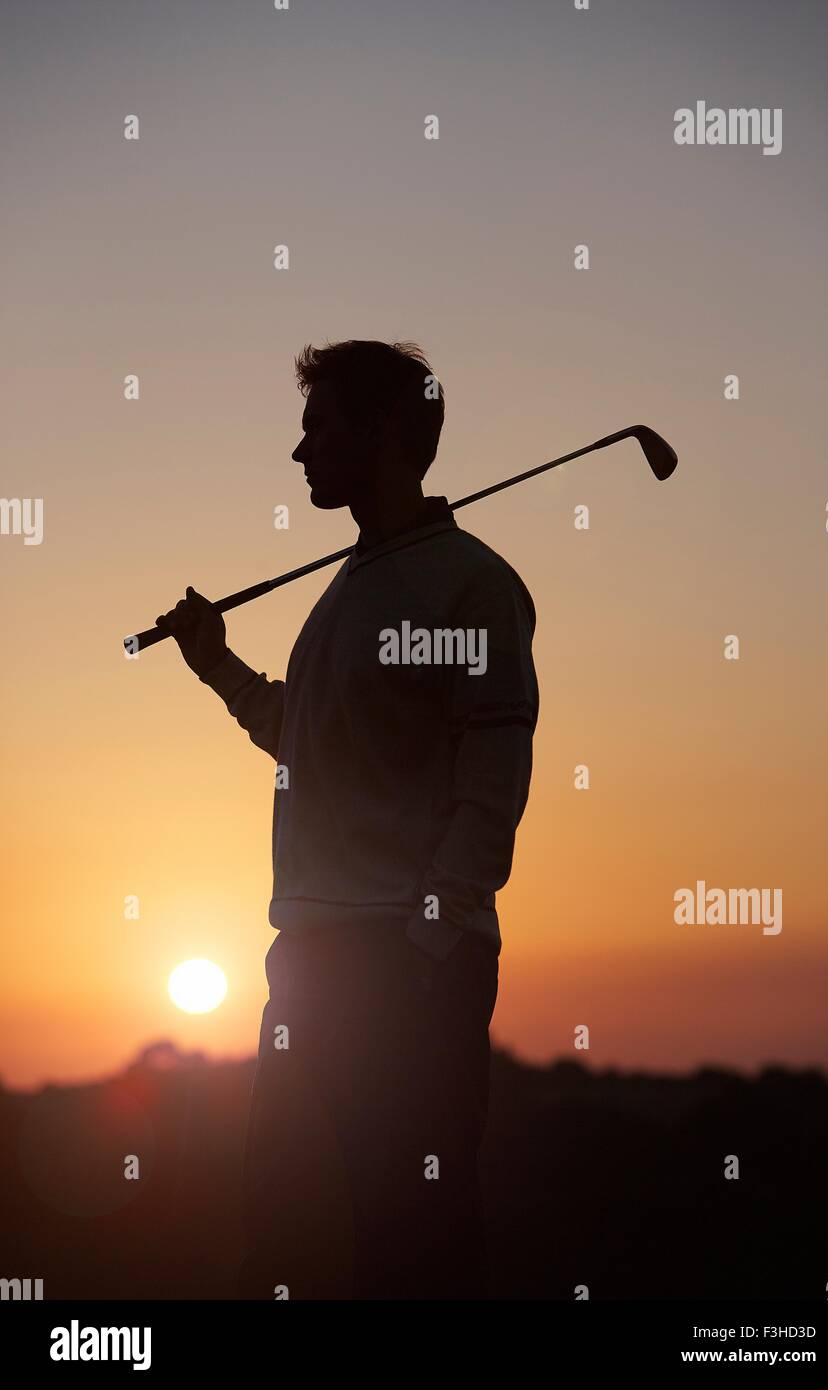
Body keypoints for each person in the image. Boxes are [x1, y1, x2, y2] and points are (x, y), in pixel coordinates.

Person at [155, 339, 539, 1299]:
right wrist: (219, 669)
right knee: (286, 1235)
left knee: (413, 1249)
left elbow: (494, 777)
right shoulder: (350, 589)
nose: (300, 453)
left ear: (390, 433)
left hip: (403, 967)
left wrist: (432, 939)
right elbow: (308, 740)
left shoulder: (468, 586)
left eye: (320, 428)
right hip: (311, 961)